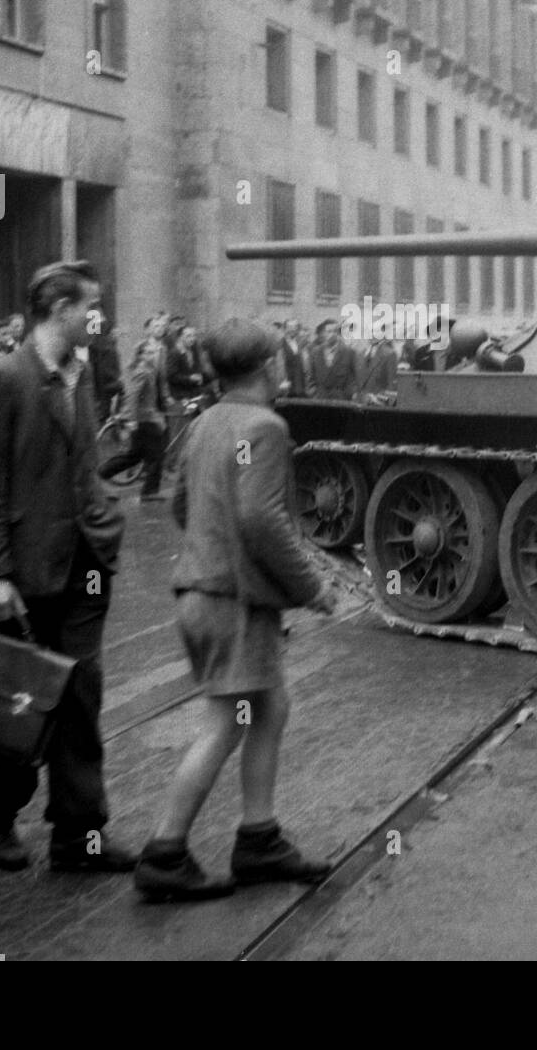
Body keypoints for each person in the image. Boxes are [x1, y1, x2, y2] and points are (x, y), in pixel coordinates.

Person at [135, 319, 341, 899]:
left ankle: (259, 838)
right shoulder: (264, 426)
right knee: (227, 723)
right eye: (278, 361)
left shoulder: (204, 424)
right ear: (268, 367)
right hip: (233, 604)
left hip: (204, 597)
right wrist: (312, 588)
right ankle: (165, 852)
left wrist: (212, 548)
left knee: (269, 709)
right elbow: (260, 520)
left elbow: (182, 505)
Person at [0, 260, 133, 873]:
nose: (98, 317)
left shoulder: (80, 376)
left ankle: (78, 833)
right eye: (92, 306)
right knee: (19, 698)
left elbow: (83, 463)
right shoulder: (0, 380)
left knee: (81, 694)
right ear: (60, 309)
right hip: (24, 574)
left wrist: (105, 516)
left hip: (85, 565)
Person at [99, 321, 171, 501]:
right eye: (147, 352)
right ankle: (149, 492)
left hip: (146, 417)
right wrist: (131, 419)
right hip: (145, 419)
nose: (151, 355)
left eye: (152, 352)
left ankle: (101, 474)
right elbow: (132, 396)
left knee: (134, 456)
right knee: (155, 456)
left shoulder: (149, 369)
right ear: (140, 355)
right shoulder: (142, 371)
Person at [306, 317, 360, 401]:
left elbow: (354, 378)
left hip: (342, 400)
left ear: (338, 333)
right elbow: (310, 378)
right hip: (320, 400)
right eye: (329, 331)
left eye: (334, 331)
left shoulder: (349, 352)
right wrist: (314, 394)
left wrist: (350, 394)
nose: (332, 334)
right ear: (323, 333)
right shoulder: (315, 352)